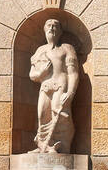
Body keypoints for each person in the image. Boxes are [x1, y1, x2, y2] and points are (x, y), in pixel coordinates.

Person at [30, 18, 80, 153]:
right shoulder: (40, 50)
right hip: (45, 86)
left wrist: (70, 92)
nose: (51, 28)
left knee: (58, 111)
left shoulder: (66, 48)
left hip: (60, 84)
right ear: (45, 30)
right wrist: (41, 72)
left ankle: (62, 146)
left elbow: (73, 73)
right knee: (42, 114)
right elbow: (32, 75)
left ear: (60, 31)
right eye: (49, 25)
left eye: (55, 26)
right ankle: (44, 145)